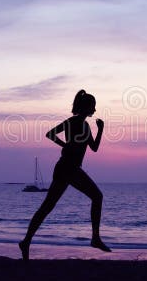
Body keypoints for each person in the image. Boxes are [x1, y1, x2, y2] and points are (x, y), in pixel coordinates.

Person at [19, 90, 111, 261]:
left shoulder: (85, 126)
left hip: (70, 169)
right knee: (96, 196)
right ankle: (95, 238)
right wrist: (65, 145)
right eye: (93, 106)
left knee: (47, 207)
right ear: (86, 107)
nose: (95, 109)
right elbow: (50, 134)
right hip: (67, 168)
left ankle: (26, 242)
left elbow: (94, 148)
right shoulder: (72, 122)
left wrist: (100, 130)